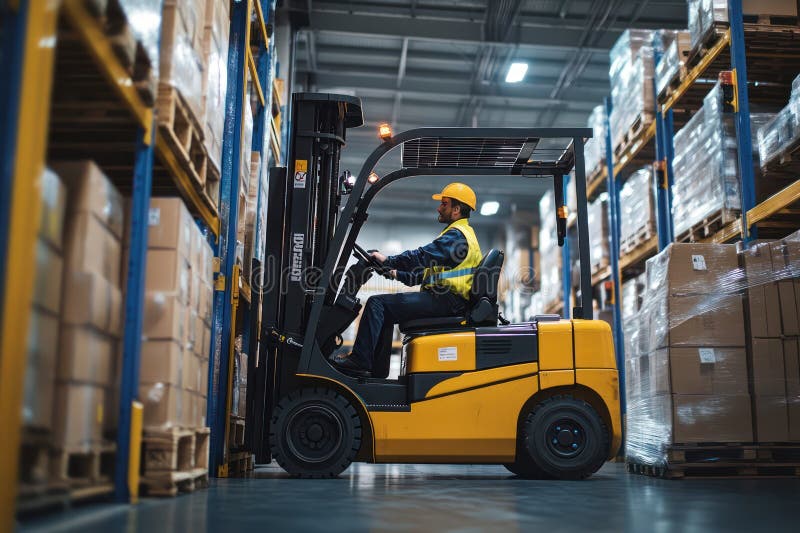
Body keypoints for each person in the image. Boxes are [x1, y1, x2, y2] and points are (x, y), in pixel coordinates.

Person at [330, 182, 483, 377]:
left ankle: (360, 360)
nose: (439, 207)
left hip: (448, 301)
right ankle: (375, 370)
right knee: (385, 310)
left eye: (444, 204)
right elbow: (424, 272)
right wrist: (392, 271)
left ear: (456, 210)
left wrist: (388, 259)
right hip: (446, 299)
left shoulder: (457, 237)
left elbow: (421, 257)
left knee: (377, 304)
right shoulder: (460, 235)